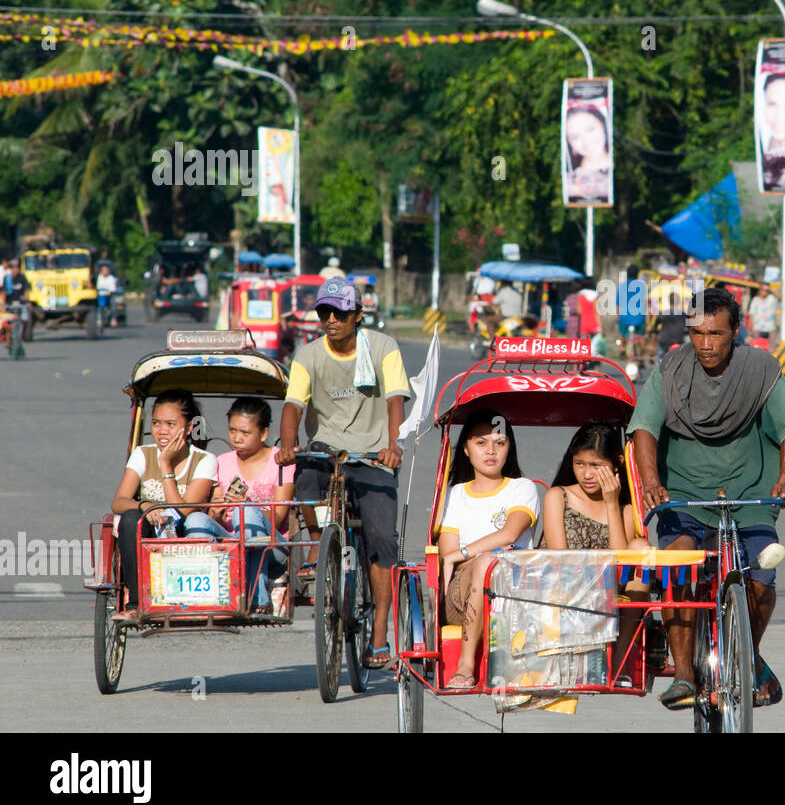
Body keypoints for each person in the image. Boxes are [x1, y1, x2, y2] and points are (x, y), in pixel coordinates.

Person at [630, 285, 785, 710]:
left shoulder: (761, 368)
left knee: (762, 576)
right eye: (698, 334)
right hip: (684, 494)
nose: (706, 344)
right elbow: (643, 429)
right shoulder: (669, 369)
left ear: (736, 332)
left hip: (749, 496)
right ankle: (686, 674)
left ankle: (749, 651)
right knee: (679, 568)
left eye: (717, 335)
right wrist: (651, 481)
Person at [277, 277, 410, 668]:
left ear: (357, 315)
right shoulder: (308, 355)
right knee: (306, 476)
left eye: (339, 313)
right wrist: (288, 443)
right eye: (324, 313)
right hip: (326, 452)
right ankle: (320, 545)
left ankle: (380, 635)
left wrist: (394, 446)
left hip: (373, 456)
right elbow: (293, 406)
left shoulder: (383, 348)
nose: (331, 320)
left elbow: (395, 401)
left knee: (382, 540)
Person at [540, 423, 653, 685]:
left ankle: (620, 664)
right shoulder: (558, 496)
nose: (587, 474)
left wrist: (612, 503)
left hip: (609, 586)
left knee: (641, 549)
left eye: (596, 465)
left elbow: (621, 563)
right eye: (580, 464)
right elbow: (560, 559)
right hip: (565, 585)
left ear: (616, 464)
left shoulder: (624, 510)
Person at [435, 410, 539, 688]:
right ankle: (466, 664)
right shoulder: (456, 494)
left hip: (515, 590)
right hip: (463, 595)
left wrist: (465, 553)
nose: (490, 450)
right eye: (481, 443)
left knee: (488, 561)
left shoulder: (522, 488)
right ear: (466, 449)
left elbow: (510, 532)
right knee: (485, 563)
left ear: (509, 448)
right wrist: (471, 557)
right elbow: (448, 554)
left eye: (500, 442)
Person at [109, 389, 218, 619]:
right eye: (157, 423)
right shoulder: (142, 454)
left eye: (170, 423)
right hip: (145, 530)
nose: (161, 431)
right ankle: (135, 605)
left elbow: (186, 510)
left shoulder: (204, 460)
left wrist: (166, 464)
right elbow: (119, 501)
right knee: (130, 517)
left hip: (183, 534)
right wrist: (145, 506)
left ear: (189, 428)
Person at [183, 399, 295, 613]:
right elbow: (215, 514)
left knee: (248, 513)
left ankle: (257, 598)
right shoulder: (222, 461)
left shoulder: (279, 461)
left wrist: (244, 505)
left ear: (263, 434)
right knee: (195, 519)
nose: (236, 438)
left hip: (271, 546)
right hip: (231, 540)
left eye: (245, 432)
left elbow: (278, 517)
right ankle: (201, 595)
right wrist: (217, 511)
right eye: (232, 430)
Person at [565, 107, 613, 203]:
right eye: (575, 137)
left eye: (590, 129)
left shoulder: (626, 167)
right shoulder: (570, 185)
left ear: (603, 125)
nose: (586, 140)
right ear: (570, 144)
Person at [746, 282, 779, 347]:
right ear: (759, 290)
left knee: (771, 349)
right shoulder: (755, 300)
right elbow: (751, 315)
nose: (764, 291)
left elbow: (781, 297)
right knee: (757, 347)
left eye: (766, 290)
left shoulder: (772, 298)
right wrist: (750, 330)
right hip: (758, 329)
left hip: (770, 328)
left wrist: (771, 289)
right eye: (763, 289)